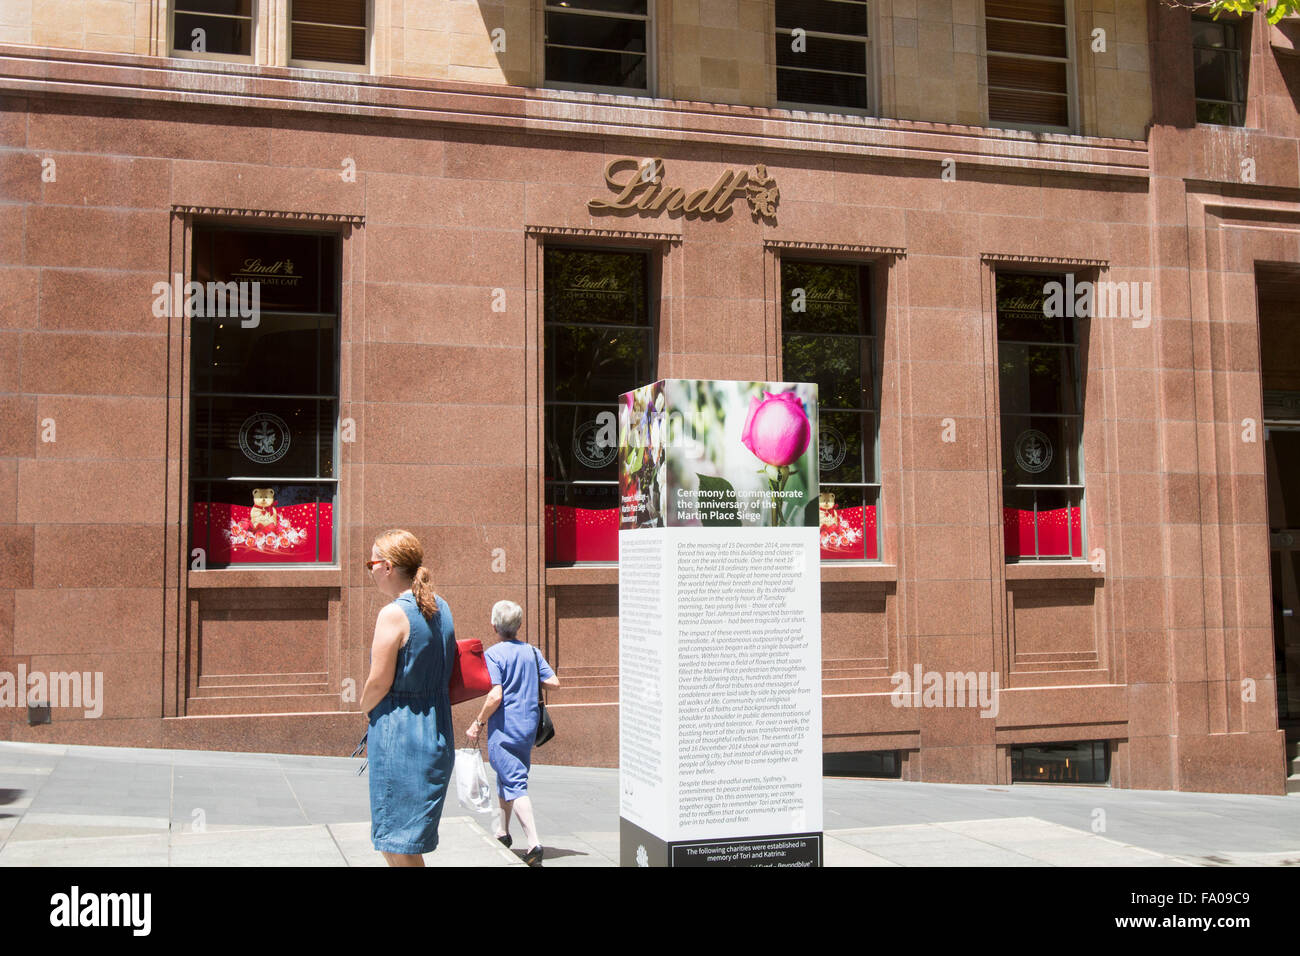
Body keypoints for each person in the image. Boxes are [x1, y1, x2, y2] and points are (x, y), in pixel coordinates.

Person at [360, 529, 456, 867]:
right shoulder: (440, 606)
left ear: (387, 567)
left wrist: (364, 707)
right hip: (436, 731)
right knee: (403, 843)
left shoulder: (393, 614)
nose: (369, 570)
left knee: (396, 842)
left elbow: (378, 682)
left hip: (401, 733)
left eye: (370, 563)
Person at [466, 600, 559, 867]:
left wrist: (478, 722)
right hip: (528, 727)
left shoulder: (494, 654)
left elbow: (495, 694)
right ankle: (502, 832)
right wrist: (529, 677)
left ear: (493, 625)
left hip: (504, 729)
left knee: (515, 782)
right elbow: (554, 682)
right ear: (518, 625)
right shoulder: (532, 652)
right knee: (507, 777)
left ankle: (533, 844)